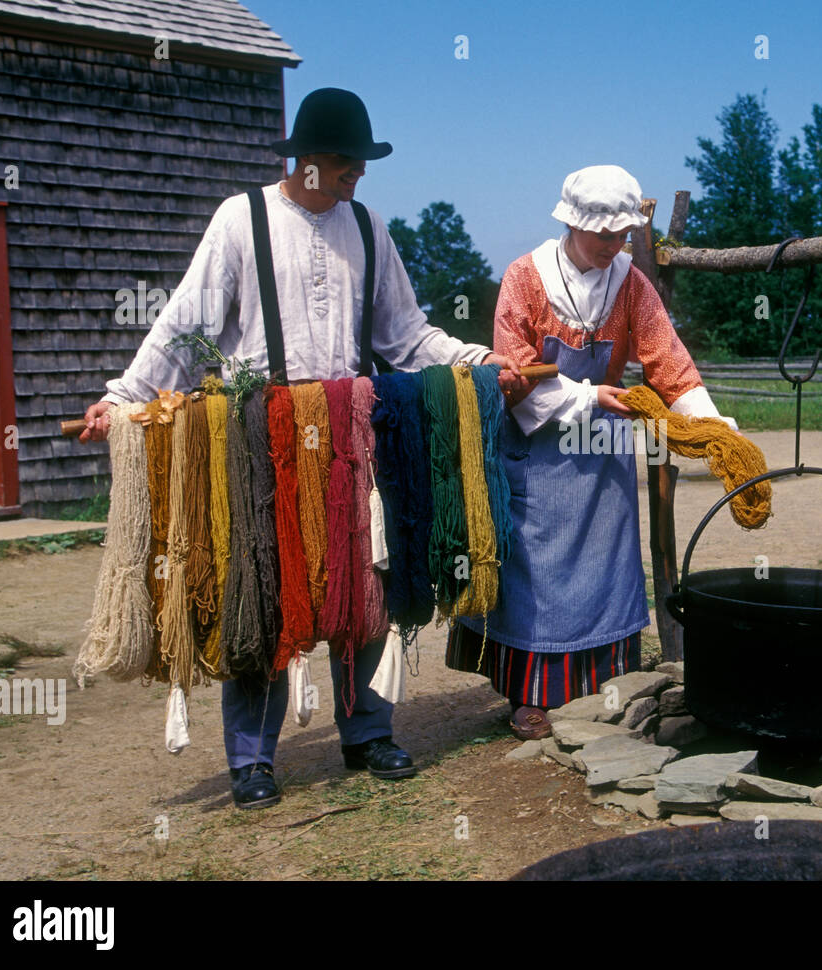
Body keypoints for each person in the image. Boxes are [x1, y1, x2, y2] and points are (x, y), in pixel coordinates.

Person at [80, 88, 522, 808]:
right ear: (306, 162)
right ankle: (253, 757)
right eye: (347, 165)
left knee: (364, 582)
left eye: (360, 167)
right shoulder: (241, 220)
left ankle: (367, 732)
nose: (357, 177)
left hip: (352, 433)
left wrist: (478, 360)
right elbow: (183, 328)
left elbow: (408, 337)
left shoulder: (370, 230)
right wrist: (127, 395)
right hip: (262, 437)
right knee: (261, 591)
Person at [446, 165, 733, 740]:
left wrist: (715, 430)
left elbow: (669, 363)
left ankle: (604, 686)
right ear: (573, 224)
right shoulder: (526, 278)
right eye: (606, 235)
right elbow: (515, 371)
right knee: (537, 569)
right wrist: (584, 393)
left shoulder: (630, 284)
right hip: (535, 441)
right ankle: (530, 695)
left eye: (624, 235)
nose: (616, 245)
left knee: (606, 563)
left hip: (601, 445)